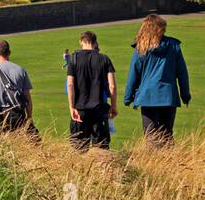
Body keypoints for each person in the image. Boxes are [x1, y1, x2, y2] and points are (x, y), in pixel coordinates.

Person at [123, 14, 191, 144]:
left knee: (150, 136)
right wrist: (185, 95)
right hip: (168, 96)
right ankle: (168, 162)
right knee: (167, 135)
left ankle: (154, 162)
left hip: (148, 96)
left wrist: (128, 97)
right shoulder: (174, 46)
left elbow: (133, 74)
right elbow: (182, 73)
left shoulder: (141, 48)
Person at [67, 31, 116, 150]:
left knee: (78, 149)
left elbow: (70, 84)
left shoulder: (74, 59)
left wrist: (71, 107)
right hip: (99, 109)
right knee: (101, 149)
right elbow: (112, 86)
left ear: (81, 42)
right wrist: (113, 106)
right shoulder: (104, 59)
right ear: (94, 42)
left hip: (80, 109)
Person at [0, 40, 35, 135]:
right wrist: (29, 116)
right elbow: (27, 96)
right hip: (19, 114)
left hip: (1, 114)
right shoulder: (20, 70)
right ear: (9, 53)